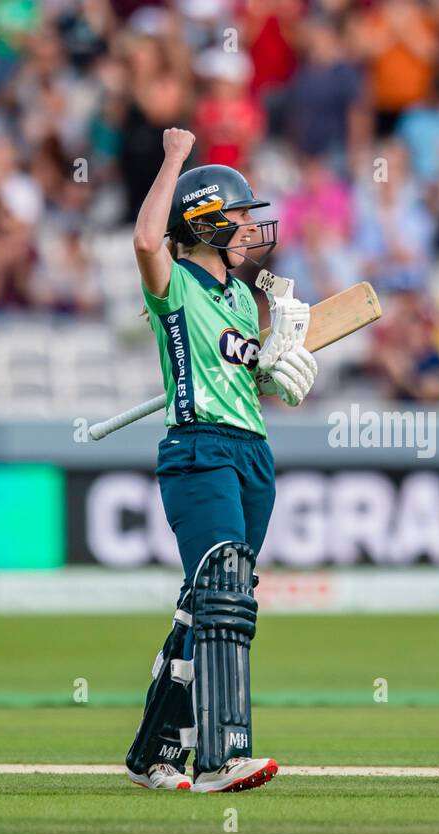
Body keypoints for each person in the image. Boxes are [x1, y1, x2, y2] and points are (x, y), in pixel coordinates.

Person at [123, 128, 319, 793]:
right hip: (199, 447)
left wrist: (276, 372)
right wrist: (175, 159)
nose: (250, 229)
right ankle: (221, 756)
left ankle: (155, 756)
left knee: (203, 605)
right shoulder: (173, 284)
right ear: (204, 221)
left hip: (251, 449)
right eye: (238, 217)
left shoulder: (241, 296)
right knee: (224, 593)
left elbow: (244, 379)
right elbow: (147, 241)